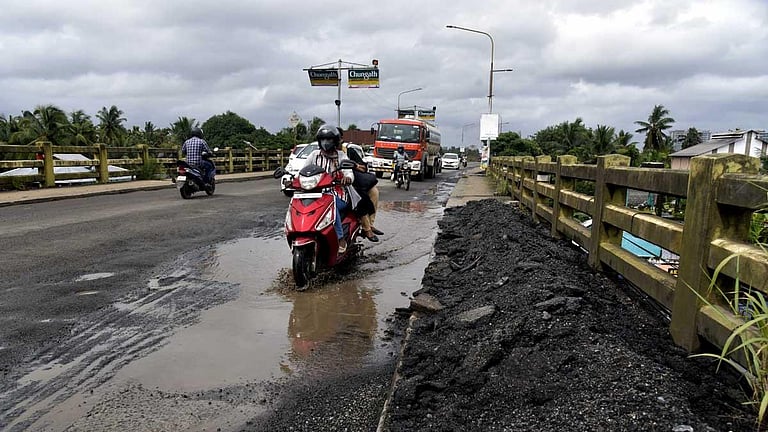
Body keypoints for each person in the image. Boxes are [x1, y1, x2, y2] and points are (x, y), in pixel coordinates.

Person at [301, 124, 356, 254]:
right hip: (315, 193)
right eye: (323, 140)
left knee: (331, 205)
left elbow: (349, 173)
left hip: (338, 194)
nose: (326, 143)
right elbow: (302, 171)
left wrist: (347, 178)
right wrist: (291, 180)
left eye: (329, 140)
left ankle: (340, 238)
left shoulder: (341, 156)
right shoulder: (314, 155)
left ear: (335, 141)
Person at [343, 141, 383, 242]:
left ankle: (370, 224)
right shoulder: (318, 154)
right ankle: (367, 228)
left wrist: (354, 166)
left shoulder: (345, 152)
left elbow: (362, 168)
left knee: (373, 192)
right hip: (335, 186)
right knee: (359, 196)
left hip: (352, 183)